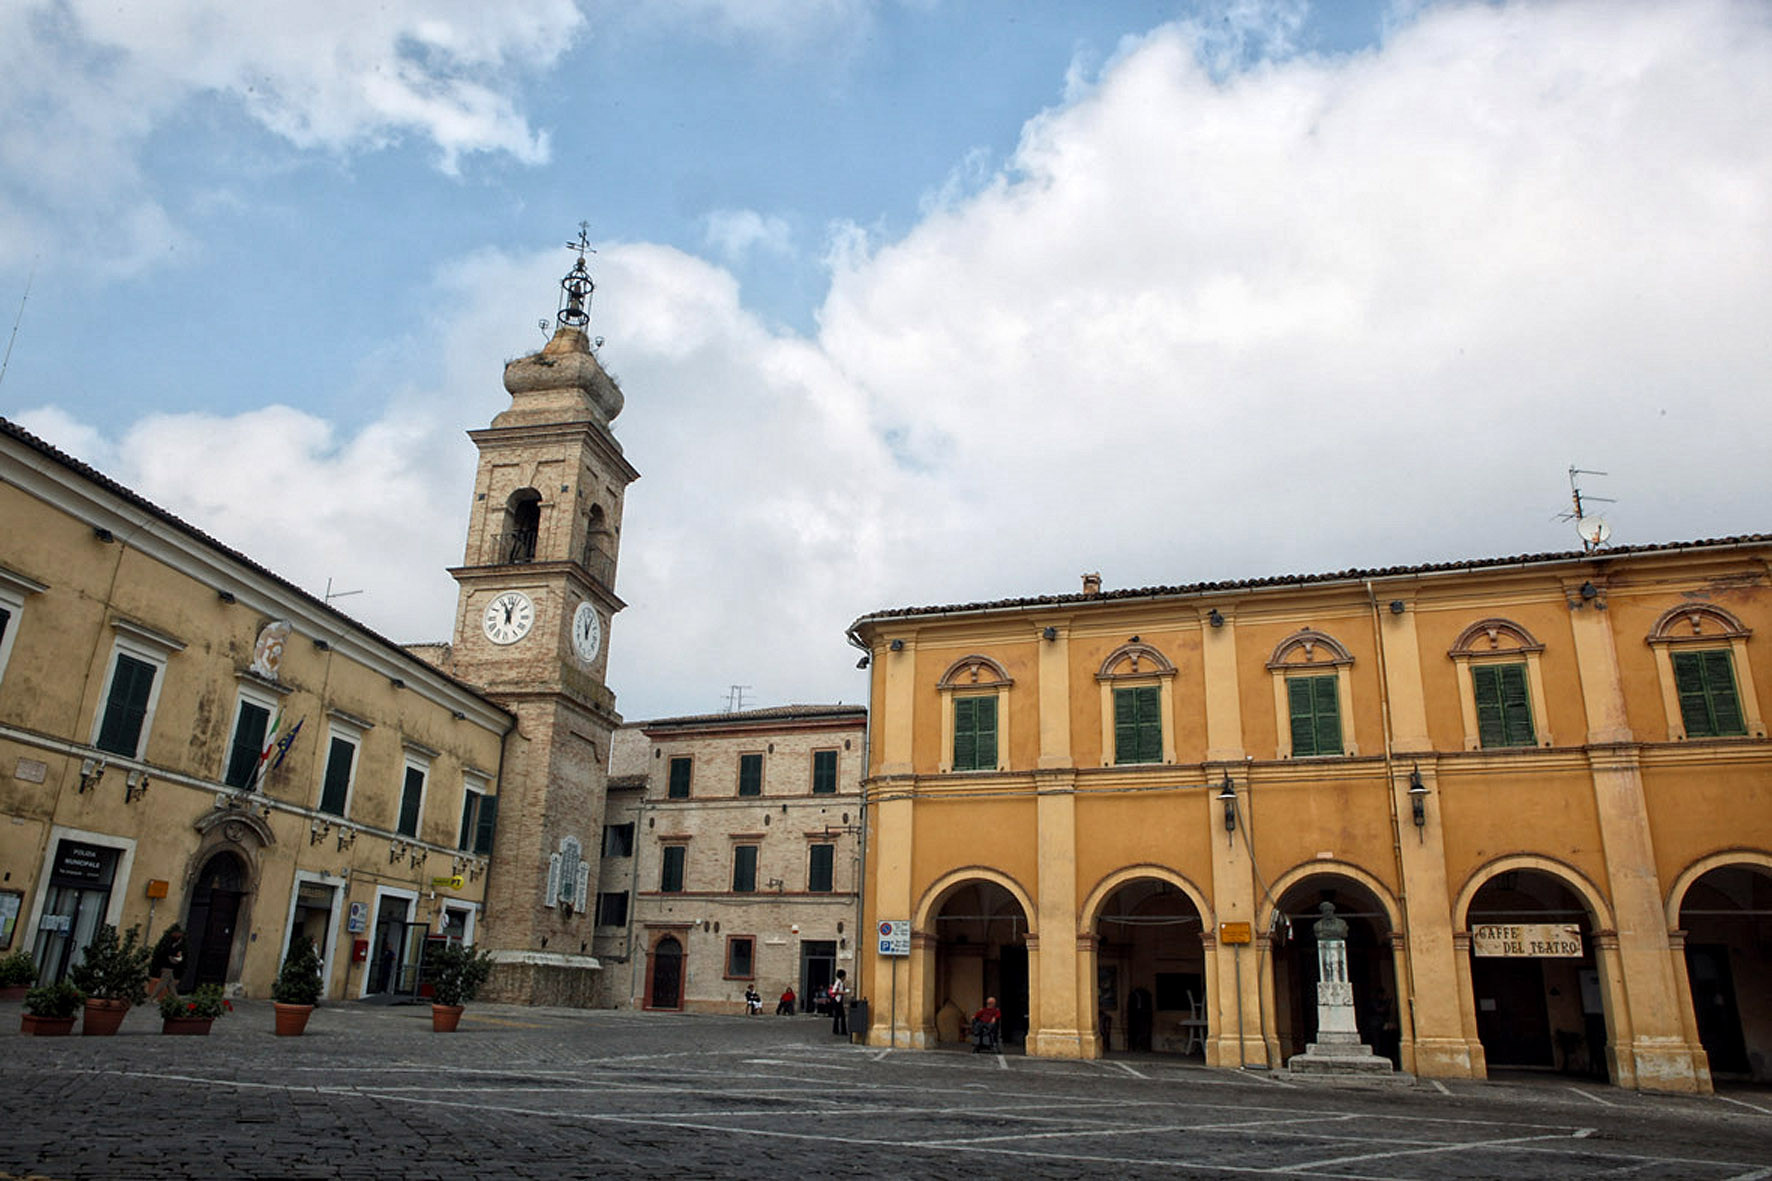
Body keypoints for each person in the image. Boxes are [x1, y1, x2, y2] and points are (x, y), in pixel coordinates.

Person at [146, 925, 186, 1002]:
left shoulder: (170, 946)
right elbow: (174, 959)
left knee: (171, 985)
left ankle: (176, 998)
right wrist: (179, 958)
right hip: (168, 968)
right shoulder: (172, 948)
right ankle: (152, 998)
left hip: (167, 967)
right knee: (162, 984)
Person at [829, 969, 848, 1036]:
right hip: (837, 1000)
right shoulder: (838, 982)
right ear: (842, 976)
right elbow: (834, 991)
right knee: (842, 1016)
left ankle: (836, 1030)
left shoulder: (841, 982)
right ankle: (843, 1031)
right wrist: (842, 992)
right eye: (845, 975)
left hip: (838, 1000)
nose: (845, 977)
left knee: (837, 1016)